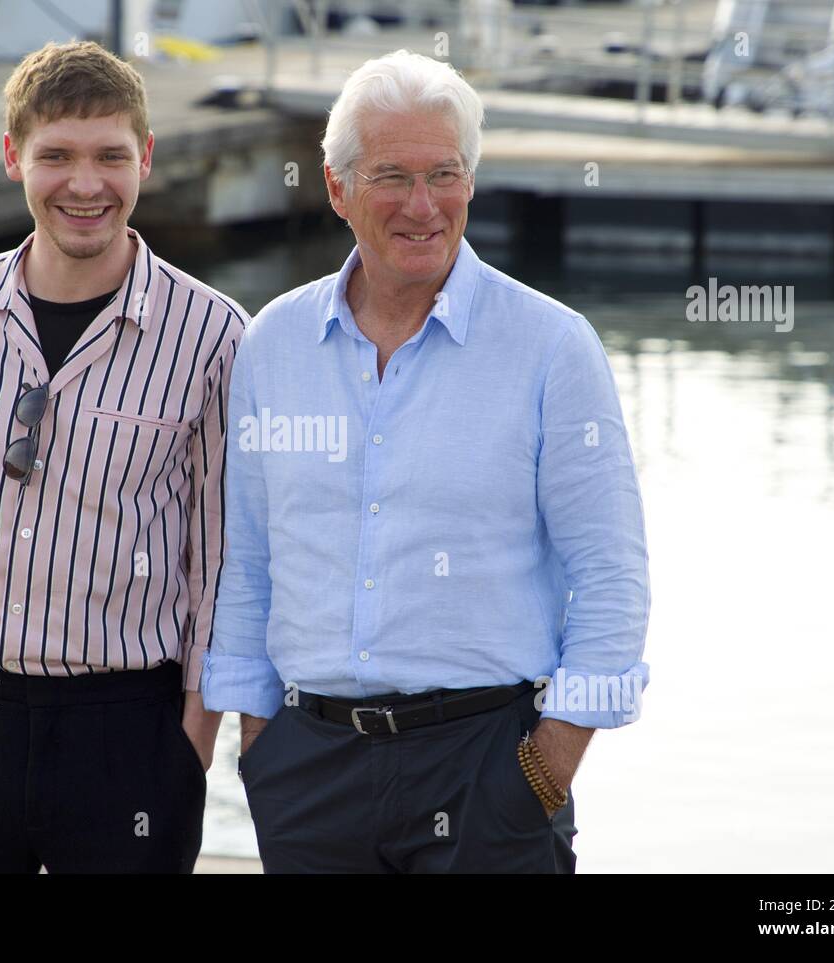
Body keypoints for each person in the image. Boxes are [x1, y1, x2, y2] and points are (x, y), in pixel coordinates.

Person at [202, 50, 651, 873]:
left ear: (471, 181)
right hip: (309, 772)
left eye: (445, 173)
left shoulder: (552, 347)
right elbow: (250, 561)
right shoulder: (272, 343)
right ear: (338, 190)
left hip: (490, 770)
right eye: (392, 177)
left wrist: (546, 768)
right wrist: (259, 743)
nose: (423, 205)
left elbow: (611, 572)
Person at [0, 40, 247, 873]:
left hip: (127, 729)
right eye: (55, 155)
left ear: (146, 158)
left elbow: (222, 559)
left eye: (110, 156)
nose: (86, 184)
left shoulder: (213, 335)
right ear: (12, 159)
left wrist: (189, 745)